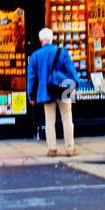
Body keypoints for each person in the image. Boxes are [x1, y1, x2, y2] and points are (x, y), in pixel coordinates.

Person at [26, 27, 80, 157]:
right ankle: (70, 148)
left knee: (49, 120)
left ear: (41, 40)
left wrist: (31, 95)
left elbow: (32, 78)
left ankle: (52, 149)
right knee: (67, 119)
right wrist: (75, 86)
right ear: (52, 39)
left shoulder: (35, 56)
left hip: (46, 91)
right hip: (64, 88)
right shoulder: (62, 52)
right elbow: (71, 71)